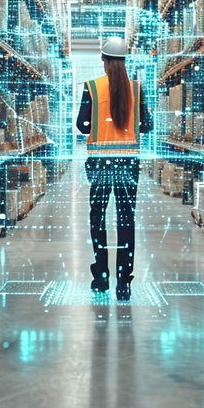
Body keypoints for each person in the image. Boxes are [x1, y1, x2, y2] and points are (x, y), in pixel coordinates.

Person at [76, 37, 152, 301]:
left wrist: (101, 125)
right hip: (128, 164)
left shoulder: (92, 88)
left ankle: (101, 277)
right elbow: (148, 125)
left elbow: (82, 126)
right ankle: (124, 282)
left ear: (104, 60)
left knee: (97, 219)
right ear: (124, 60)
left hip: (99, 164)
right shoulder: (137, 89)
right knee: (126, 220)